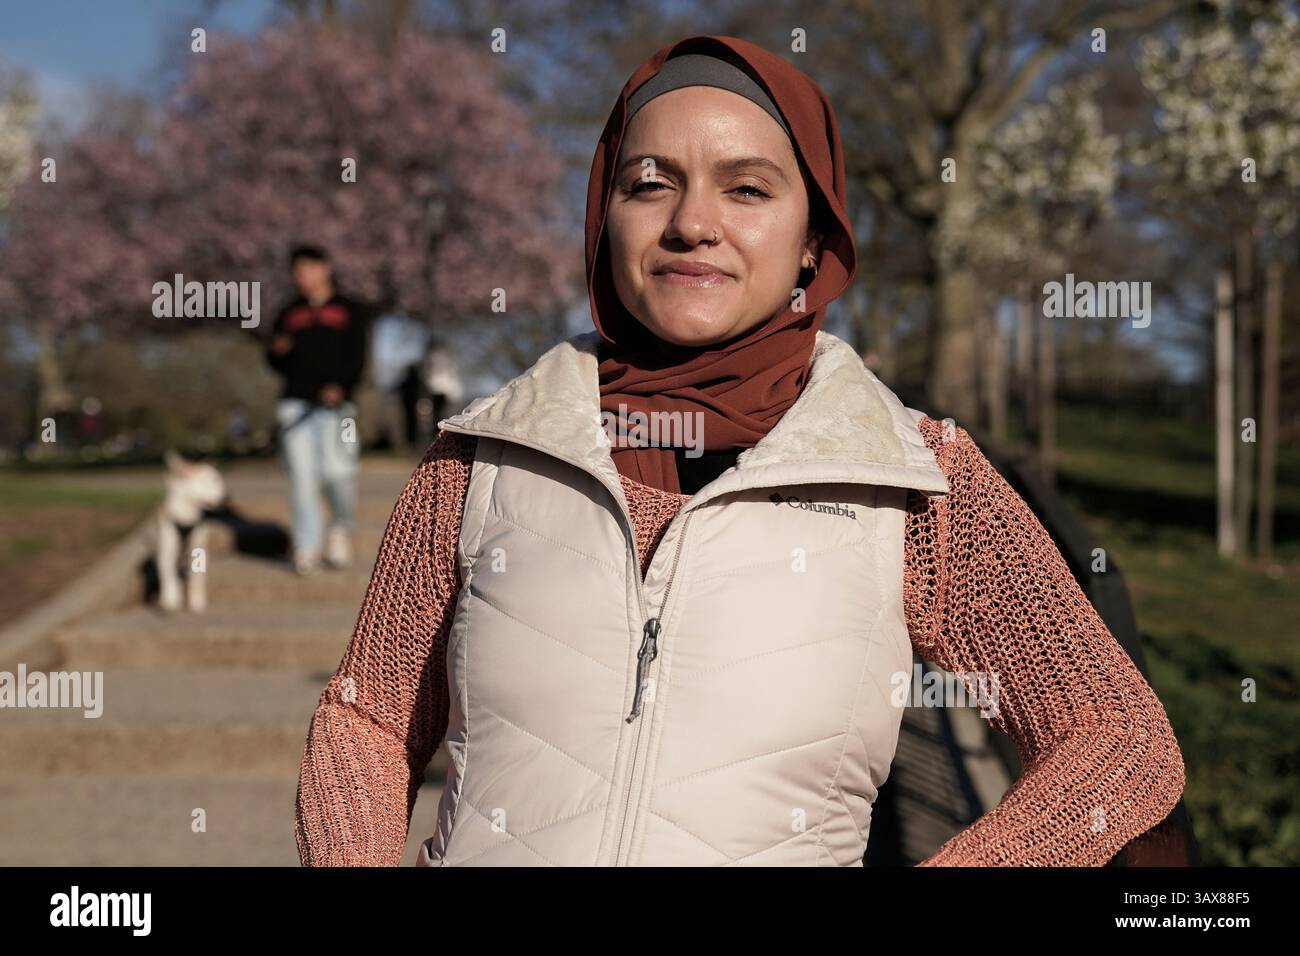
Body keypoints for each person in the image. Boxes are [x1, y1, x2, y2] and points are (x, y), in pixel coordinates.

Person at [294, 36, 1185, 866]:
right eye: (650, 184)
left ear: (811, 241)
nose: (692, 223)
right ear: (606, 218)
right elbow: (368, 719)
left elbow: (1118, 743)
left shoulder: (917, 482)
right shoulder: (482, 453)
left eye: (747, 188)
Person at [265, 244, 367, 576]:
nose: (303, 277)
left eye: (309, 269)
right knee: (302, 480)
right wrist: (276, 353)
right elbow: (275, 359)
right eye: (297, 272)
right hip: (295, 406)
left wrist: (341, 387)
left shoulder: (350, 309)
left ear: (325, 268)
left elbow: (358, 358)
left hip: (339, 408)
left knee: (339, 472)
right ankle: (306, 546)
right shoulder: (288, 313)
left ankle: (340, 527)